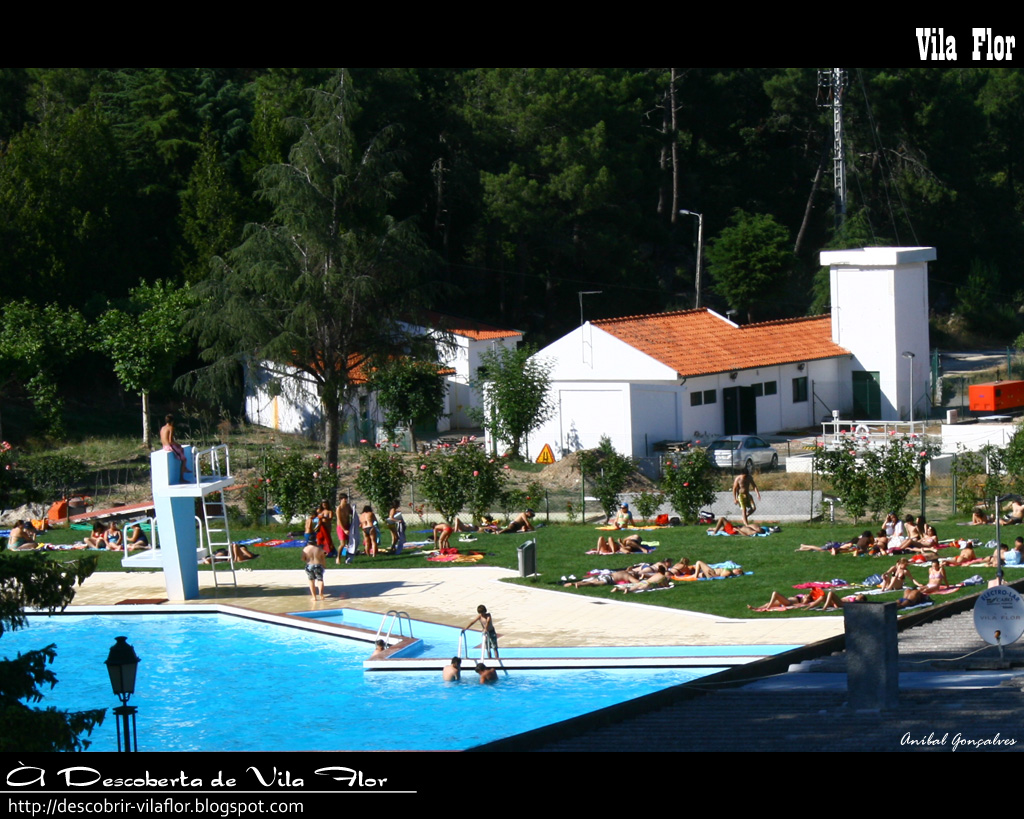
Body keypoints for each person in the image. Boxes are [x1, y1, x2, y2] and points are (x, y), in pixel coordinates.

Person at [159, 414, 192, 482]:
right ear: (172, 421)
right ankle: (181, 478)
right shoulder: (171, 428)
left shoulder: (162, 428)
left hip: (164, 446)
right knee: (184, 459)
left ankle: (184, 468)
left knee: (181, 449)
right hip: (169, 446)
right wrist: (178, 444)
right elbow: (170, 441)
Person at [335, 494, 353, 565]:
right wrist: (344, 530)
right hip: (341, 527)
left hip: (347, 525)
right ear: (340, 500)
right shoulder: (339, 508)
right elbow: (339, 520)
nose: (346, 500)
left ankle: (347, 557)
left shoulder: (348, 506)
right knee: (342, 544)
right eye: (344, 499)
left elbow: (352, 513)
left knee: (349, 543)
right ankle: (338, 557)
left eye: (346, 498)